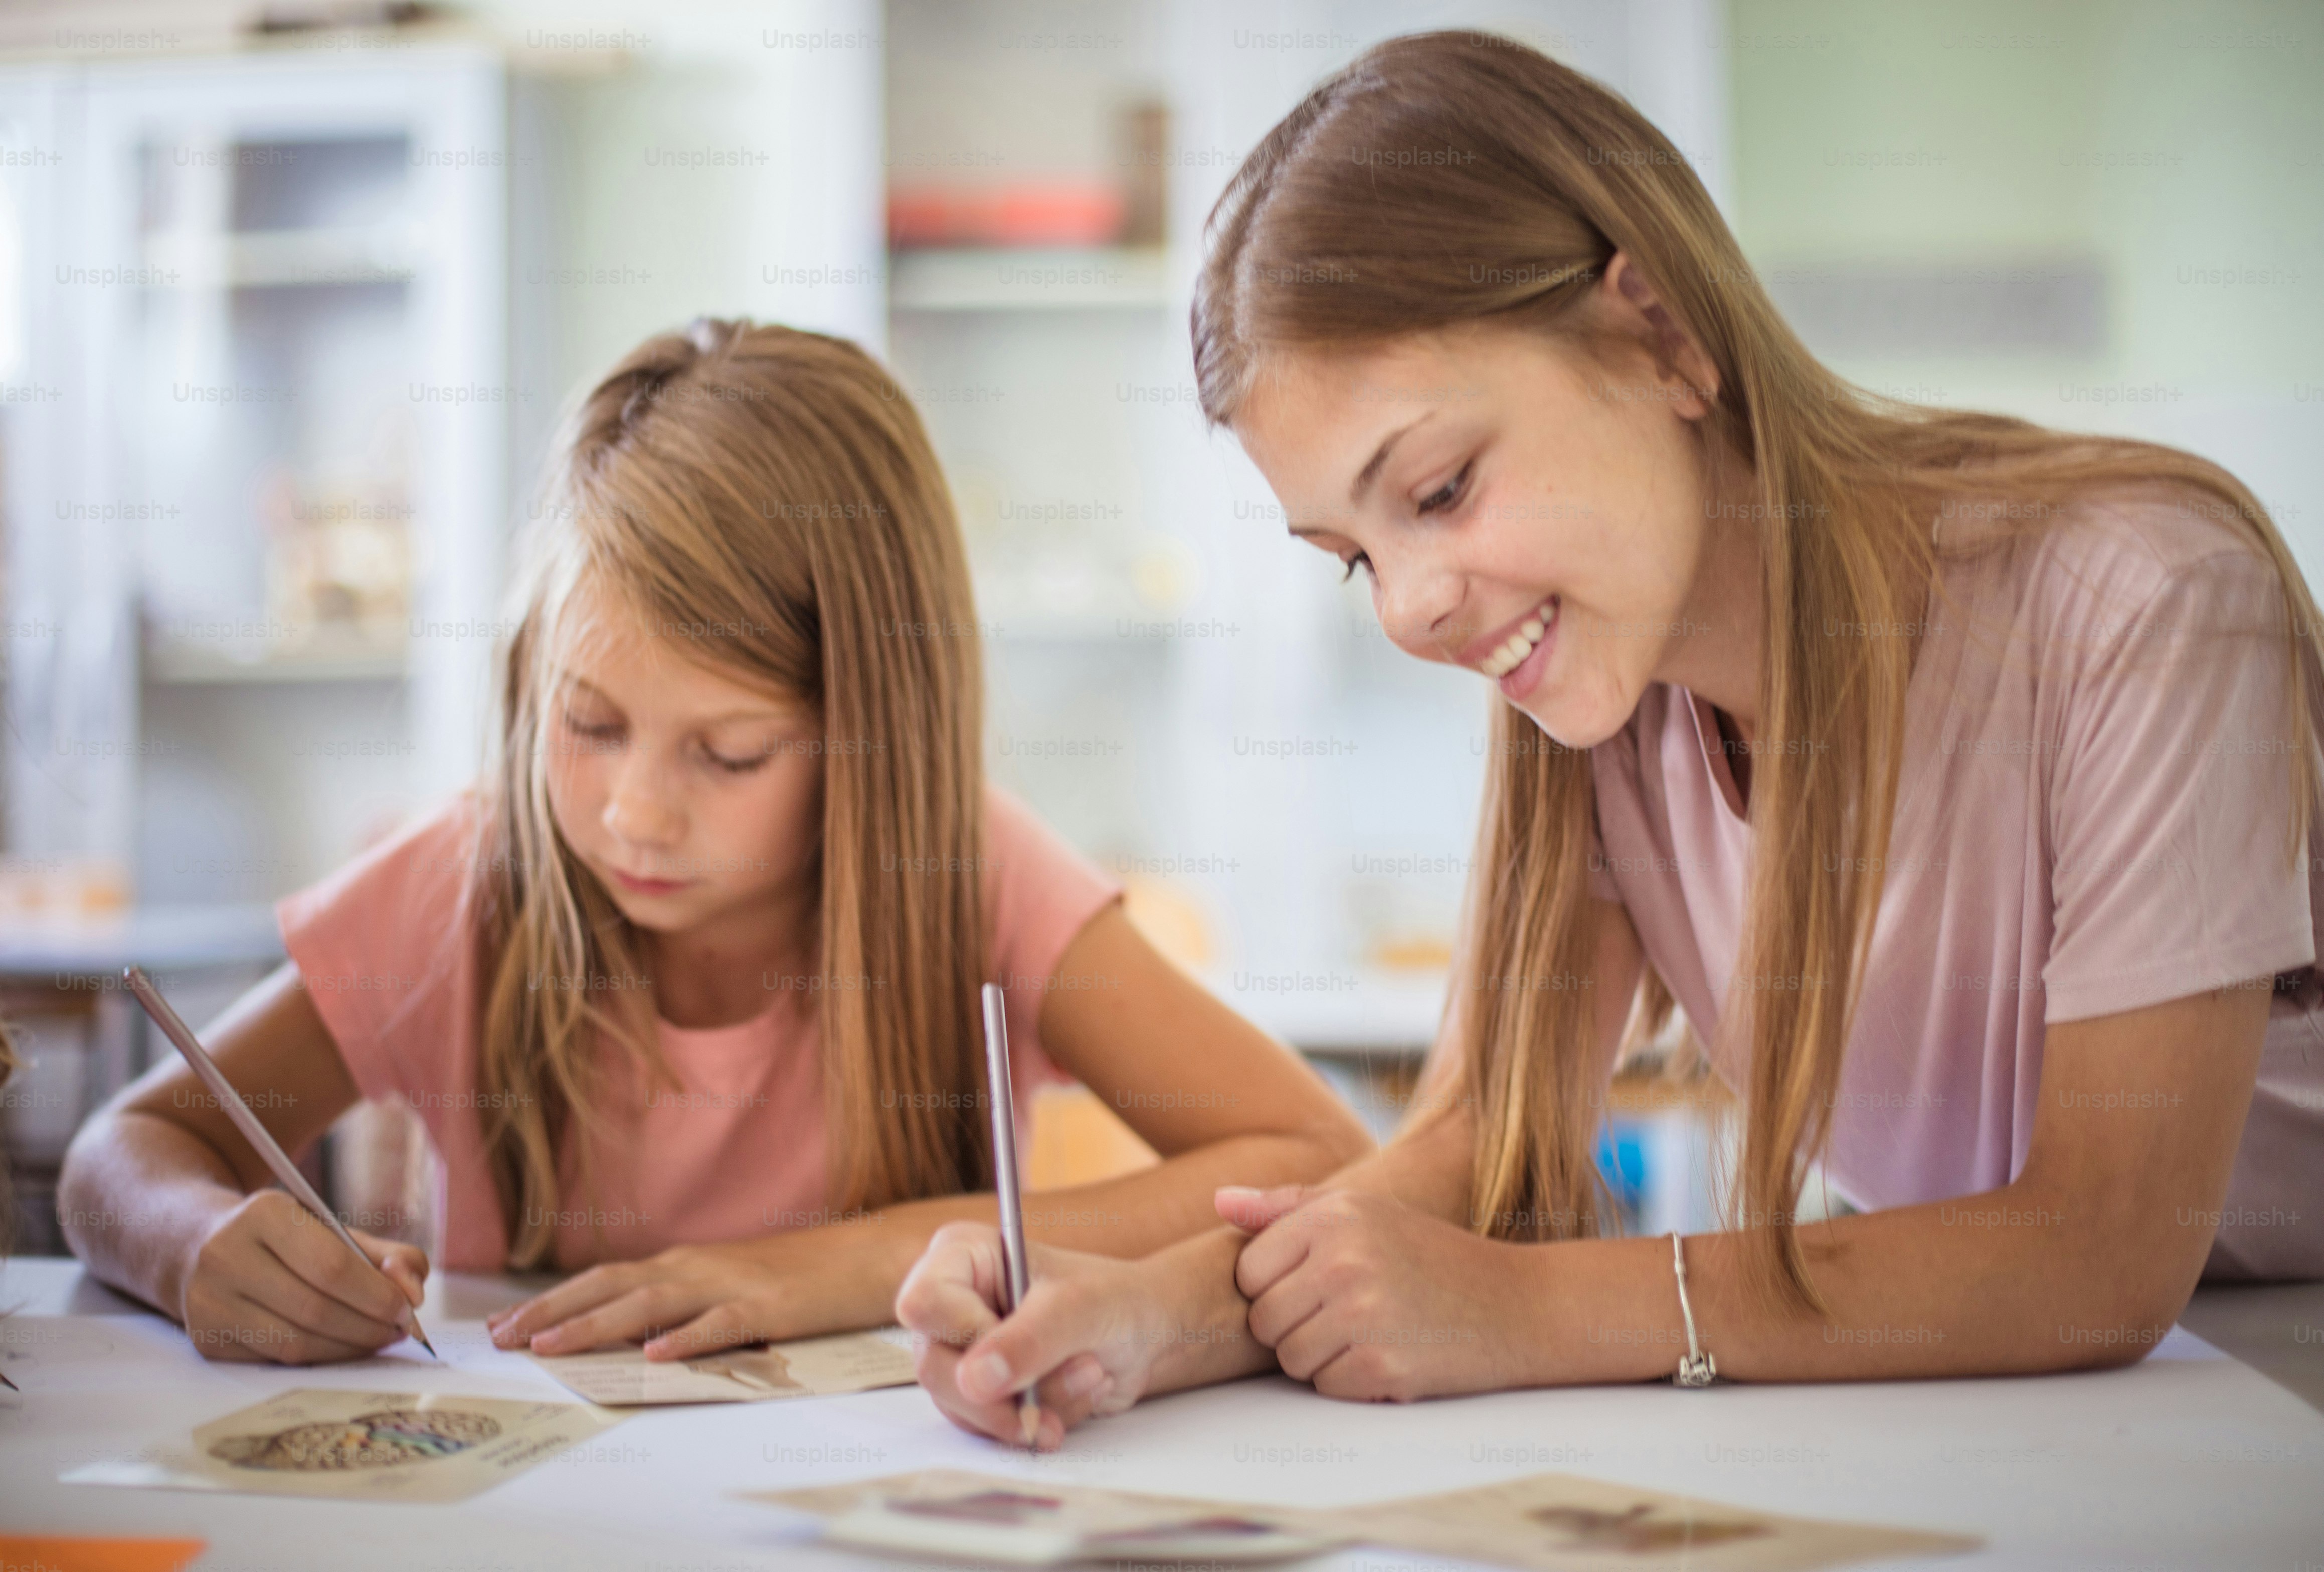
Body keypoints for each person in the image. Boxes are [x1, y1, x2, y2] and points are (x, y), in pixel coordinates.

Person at [898, 30, 2324, 1446]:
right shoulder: (1607, 709)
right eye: (1351, 556)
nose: (1407, 611)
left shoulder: (2149, 598)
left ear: (1660, 335)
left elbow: (2098, 1252)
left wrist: (1528, 1312)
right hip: (2028, 1406)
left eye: (1441, 490)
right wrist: (1134, 1319)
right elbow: (1470, 1152)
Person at [58, 321, 1370, 1380]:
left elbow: (1309, 1159)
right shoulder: (468, 885)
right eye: (588, 722)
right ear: (532, 680)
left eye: (727, 754)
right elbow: (121, 1156)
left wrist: (823, 1266)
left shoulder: (968, 876)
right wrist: (193, 1247)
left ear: (873, 741)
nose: (634, 810)